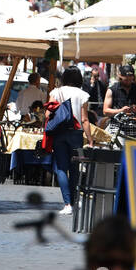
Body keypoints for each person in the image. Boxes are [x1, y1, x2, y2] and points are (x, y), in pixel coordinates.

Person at [45, 68, 93, 217]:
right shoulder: (83, 95)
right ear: (79, 79)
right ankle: (74, 201)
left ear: (65, 77)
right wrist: (90, 139)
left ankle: (67, 204)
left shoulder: (56, 92)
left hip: (59, 133)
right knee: (74, 169)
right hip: (76, 133)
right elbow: (85, 119)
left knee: (61, 168)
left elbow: (47, 113)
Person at [101, 63, 136, 128]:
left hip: (133, 129)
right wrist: (121, 111)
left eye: (130, 79)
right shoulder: (112, 90)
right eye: (126, 80)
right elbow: (105, 111)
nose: (128, 82)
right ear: (120, 76)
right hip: (116, 128)